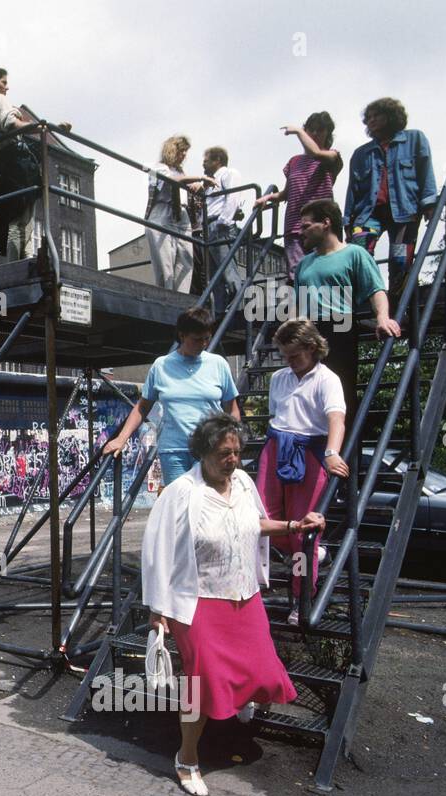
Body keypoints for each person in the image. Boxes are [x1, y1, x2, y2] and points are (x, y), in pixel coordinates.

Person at [142, 413, 324, 796]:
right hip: (198, 603)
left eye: (237, 452)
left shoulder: (241, 483)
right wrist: (158, 609)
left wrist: (294, 526)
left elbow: (256, 523)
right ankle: (187, 758)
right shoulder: (180, 493)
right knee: (200, 684)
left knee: (261, 669)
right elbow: (155, 552)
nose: (233, 460)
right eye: (225, 453)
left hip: (244, 595)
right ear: (203, 453)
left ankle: (236, 707)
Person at [256, 320, 348, 623]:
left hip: (309, 452)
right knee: (259, 521)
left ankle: (301, 599)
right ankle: (311, 560)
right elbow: (278, 415)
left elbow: (336, 419)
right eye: (285, 355)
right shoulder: (280, 378)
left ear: (311, 348)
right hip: (276, 445)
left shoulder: (327, 379)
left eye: (295, 355)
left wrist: (332, 453)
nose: (289, 362)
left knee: (305, 532)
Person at [102, 307, 240, 485]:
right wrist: (121, 439)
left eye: (207, 338)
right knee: (179, 506)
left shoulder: (218, 364)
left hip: (211, 449)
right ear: (182, 336)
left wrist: (232, 445)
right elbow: (142, 407)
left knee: (211, 505)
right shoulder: (161, 366)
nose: (203, 344)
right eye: (197, 339)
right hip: (174, 451)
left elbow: (232, 409)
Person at [293, 198, 398, 432]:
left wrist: (382, 317)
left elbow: (375, 289)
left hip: (339, 328)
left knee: (340, 396)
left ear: (326, 223)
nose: (301, 232)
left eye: (306, 226)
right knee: (307, 398)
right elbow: (297, 305)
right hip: (309, 332)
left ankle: (347, 459)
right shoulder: (304, 264)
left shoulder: (354, 254)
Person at [0, 66, 71, 260]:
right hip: (16, 166)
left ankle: (21, 265)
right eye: (4, 82)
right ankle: (15, 268)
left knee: (13, 220)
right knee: (20, 222)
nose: (7, 88)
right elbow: (11, 125)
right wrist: (48, 128)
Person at [345, 97, 437, 300]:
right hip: (369, 213)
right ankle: (373, 296)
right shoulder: (361, 154)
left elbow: (425, 171)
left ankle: (397, 306)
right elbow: (353, 189)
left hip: (404, 211)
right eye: (368, 118)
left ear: (390, 115)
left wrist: (430, 203)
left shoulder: (414, 139)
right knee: (358, 250)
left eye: (377, 115)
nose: (372, 120)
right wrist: (347, 221)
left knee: (400, 259)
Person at [253, 113, 344, 281]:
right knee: (297, 273)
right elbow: (286, 193)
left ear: (328, 133)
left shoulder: (332, 156)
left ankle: (326, 305)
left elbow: (315, 153)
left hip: (322, 224)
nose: (315, 133)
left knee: (325, 269)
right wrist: (268, 198)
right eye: (311, 129)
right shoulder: (294, 161)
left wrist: (298, 131)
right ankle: (302, 305)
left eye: (320, 130)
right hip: (295, 224)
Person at [146, 135, 216, 293]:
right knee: (166, 268)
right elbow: (174, 180)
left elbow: (185, 183)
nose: (184, 154)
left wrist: (200, 185)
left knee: (186, 262)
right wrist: (198, 178)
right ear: (172, 150)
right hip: (163, 214)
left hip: (182, 217)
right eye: (181, 150)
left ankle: (181, 302)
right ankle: (165, 303)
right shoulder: (158, 167)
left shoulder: (181, 171)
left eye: (185, 151)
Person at [201, 146, 247, 311]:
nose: (203, 164)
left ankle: (236, 304)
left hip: (219, 225)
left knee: (226, 267)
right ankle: (220, 309)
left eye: (206, 160)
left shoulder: (229, 174)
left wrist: (223, 221)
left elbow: (234, 197)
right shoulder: (210, 181)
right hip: (209, 226)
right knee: (214, 273)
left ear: (217, 160)